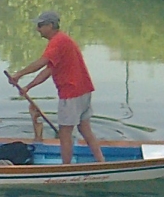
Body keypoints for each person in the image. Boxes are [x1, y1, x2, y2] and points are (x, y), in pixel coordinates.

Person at [8, 11, 105, 165]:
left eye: (40, 26)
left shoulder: (57, 42)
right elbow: (48, 70)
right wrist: (28, 86)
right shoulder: (63, 41)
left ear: (50, 25)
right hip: (83, 90)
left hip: (71, 93)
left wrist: (19, 74)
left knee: (65, 133)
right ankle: (101, 162)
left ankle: (65, 168)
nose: (37, 29)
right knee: (85, 129)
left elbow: (42, 62)